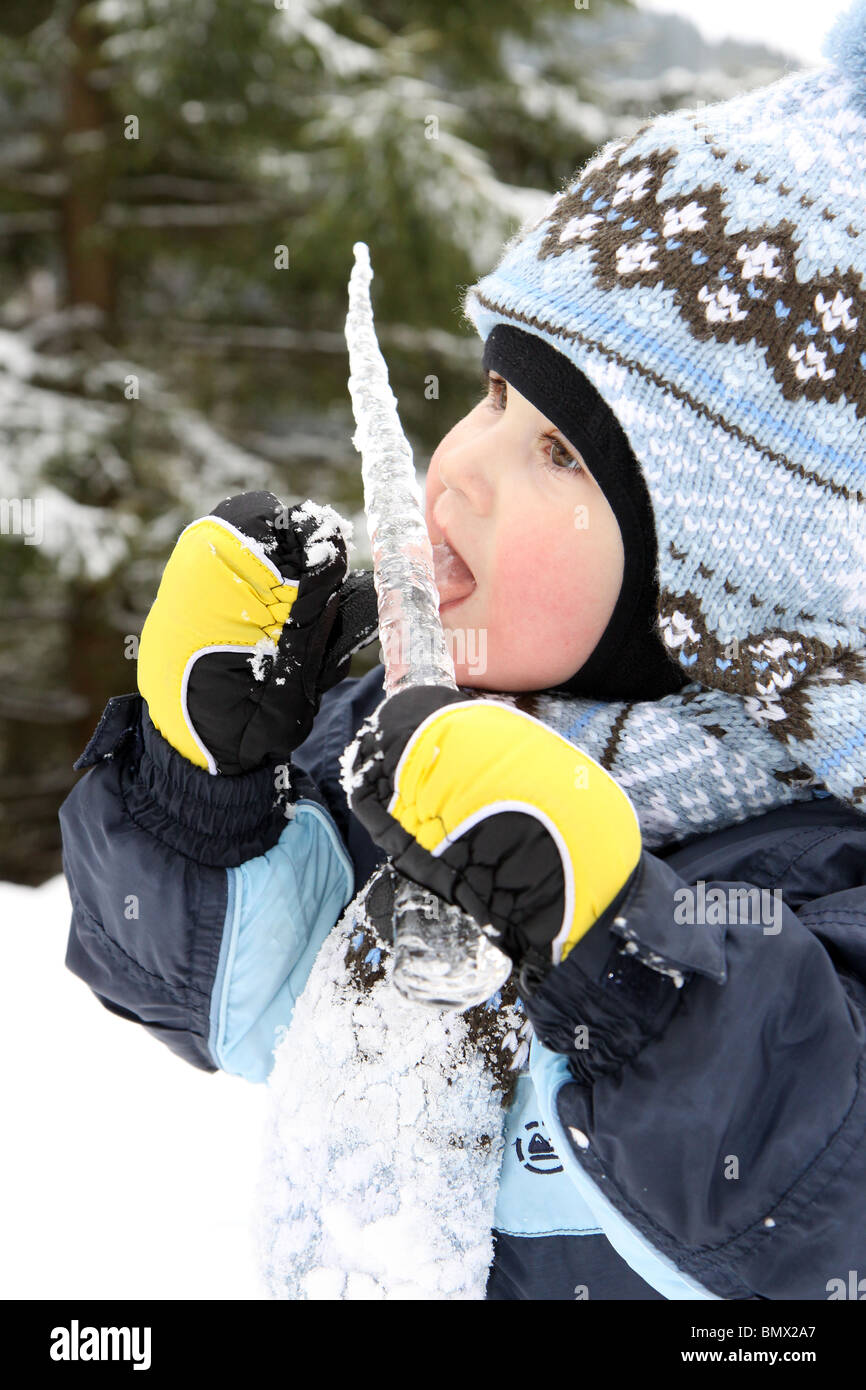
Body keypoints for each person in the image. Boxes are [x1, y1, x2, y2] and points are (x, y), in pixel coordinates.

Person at [60, 1, 866, 1300]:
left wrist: (616, 943)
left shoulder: (819, 864)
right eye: (493, 396)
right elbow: (226, 1005)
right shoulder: (412, 738)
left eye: (558, 452)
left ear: (736, 580)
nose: (464, 469)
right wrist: (199, 791)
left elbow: (806, 1210)